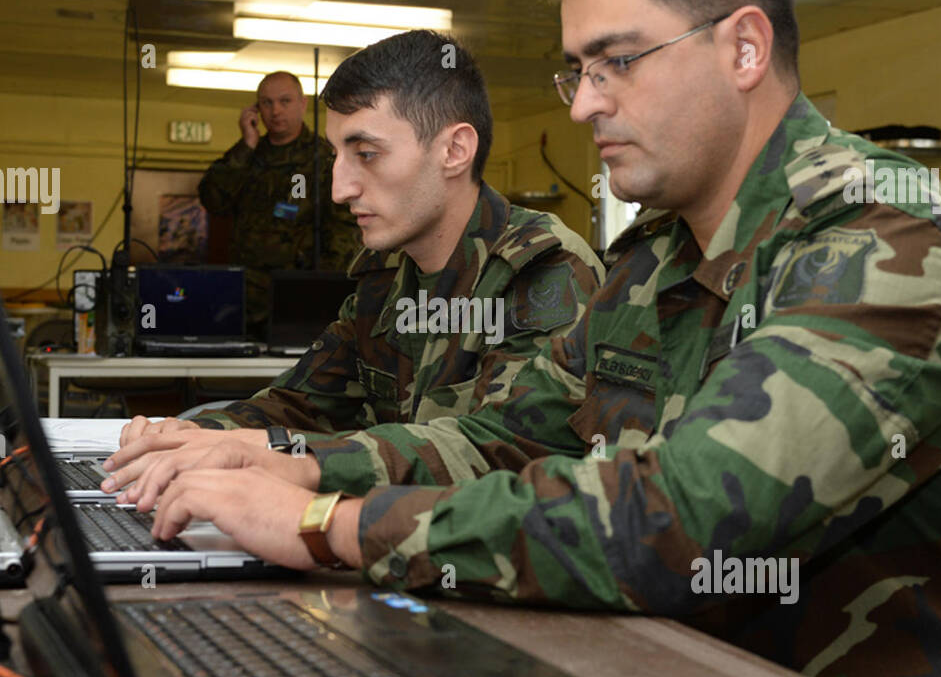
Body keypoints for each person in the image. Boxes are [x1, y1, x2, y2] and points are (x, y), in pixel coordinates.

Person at [105, 0, 941, 677]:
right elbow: (511, 430)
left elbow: (685, 519)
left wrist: (330, 525)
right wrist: (303, 465)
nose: (582, 105)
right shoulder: (655, 255)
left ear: (744, 47)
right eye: (575, 70)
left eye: (614, 63)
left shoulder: (885, 245)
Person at [103, 31, 604, 486]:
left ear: (454, 150)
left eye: (365, 153)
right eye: (338, 154)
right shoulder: (385, 274)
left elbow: (504, 454)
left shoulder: (544, 269)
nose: (340, 188)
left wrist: (282, 456)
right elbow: (300, 405)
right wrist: (185, 435)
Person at [198, 71, 357, 335]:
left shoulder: (325, 161)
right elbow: (213, 200)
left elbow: (344, 235)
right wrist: (246, 145)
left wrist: (322, 291)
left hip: (298, 300)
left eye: (285, 101)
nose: (275, 111)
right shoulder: (248, 156)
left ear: (303, 103)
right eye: (266, 103)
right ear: (256, 109)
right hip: (243, 299)